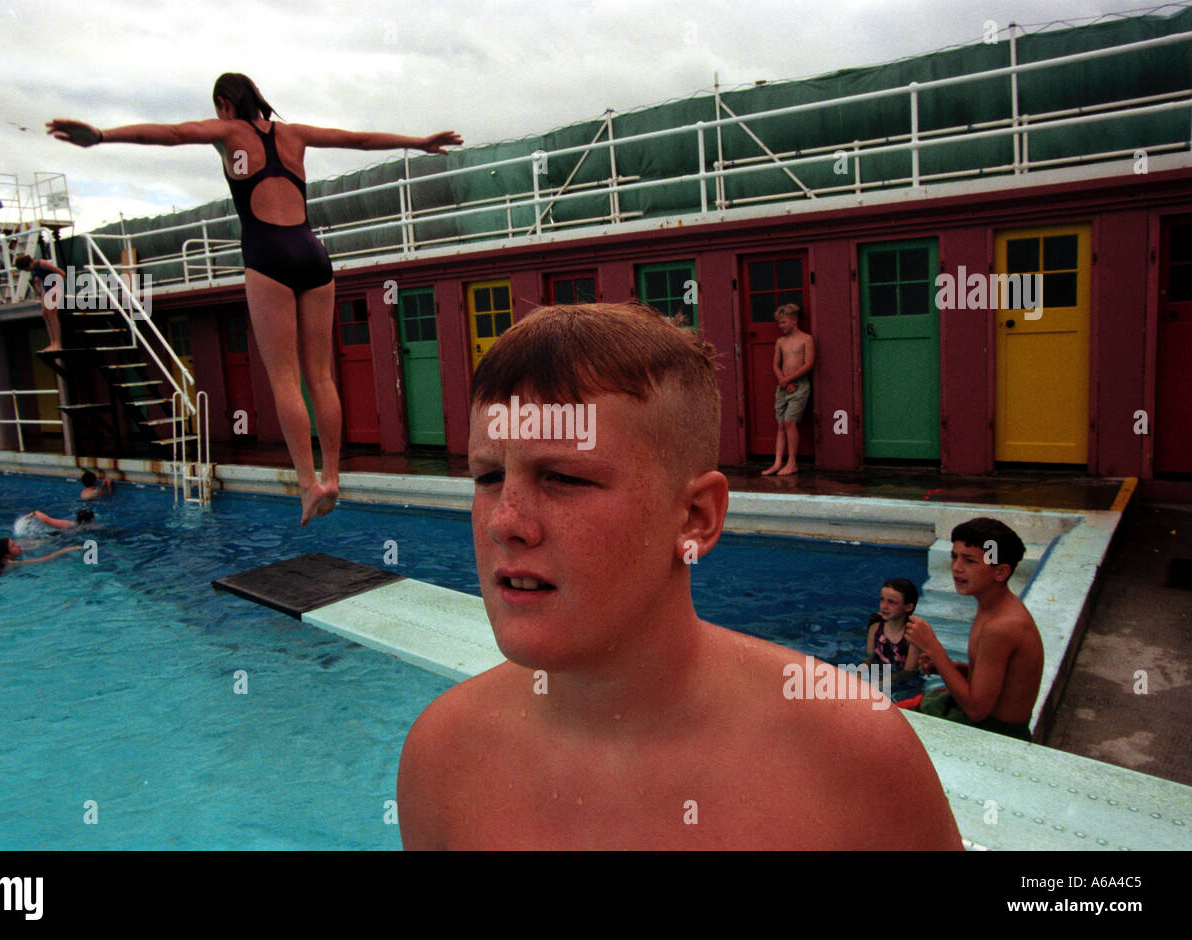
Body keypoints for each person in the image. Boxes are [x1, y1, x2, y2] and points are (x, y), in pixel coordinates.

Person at [397, 302, 960, 850]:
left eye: (565, 478)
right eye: (488, 475)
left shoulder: (851, 753)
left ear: (696, 517)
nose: (504, 521)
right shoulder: (443, 756)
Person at [48, 74, 462, 526]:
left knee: (284, 379)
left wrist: (103, 135)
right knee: (320, 377)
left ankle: (308, 485)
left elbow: (171, 135)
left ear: (225, 104)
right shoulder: (295, 134)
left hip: (268, 255)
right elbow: (359, 139)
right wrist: (420, 142)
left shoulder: (229, 133)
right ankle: (333, 475)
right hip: (312, 253)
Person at [904, 518, 1044, 741]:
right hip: (983, 721)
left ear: (1000, 572)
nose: (956, 567)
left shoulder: (1002, 626)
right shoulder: (992, 606)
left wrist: (933, 647)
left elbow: (977, 710)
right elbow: (999, 679)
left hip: (996, 734)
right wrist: (952, 668)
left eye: (969, 560)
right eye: (954, 557)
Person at [763, 303, 814, 476]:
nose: (781, 326)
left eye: (783, 322)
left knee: (790, 422)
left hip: (799, 386)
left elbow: (808, 364)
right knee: (781, 425)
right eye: (779, 323)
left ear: (794, 320)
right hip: (783, 387)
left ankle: (792, 462)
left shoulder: (806, 339)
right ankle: (778, 462)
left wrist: (789, 379)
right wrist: (783, 382)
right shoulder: (781, 342)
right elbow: (775, 364)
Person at [864, 577, 924, 700]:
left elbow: (908, 673)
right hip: (880, 675)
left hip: (904, 684)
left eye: (892, 602)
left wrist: (881, 684)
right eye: (882, 600)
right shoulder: (875, 629)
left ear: (908, 607)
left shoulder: (912, 637)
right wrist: (858, 674)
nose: (884, 606)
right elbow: (870, 658)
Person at [14, 253, 66, 353]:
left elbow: (61, 273)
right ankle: (52, 342)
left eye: (26, 269)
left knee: (52, 314)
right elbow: (38, 280)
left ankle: (57, 343)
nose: (27, 271)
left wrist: (53, 289)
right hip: (47, 290)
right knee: (45, 314)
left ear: (28, 264)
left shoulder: (42, 263)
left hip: (55, 287)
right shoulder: (35, 268)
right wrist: (40, 292)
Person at [0, 537, 79, 572]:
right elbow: (45, 559)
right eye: (13, 546)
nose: (18, 546)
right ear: (6, 555)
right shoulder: (11, 563)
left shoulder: (2, 559)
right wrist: (69, 549)